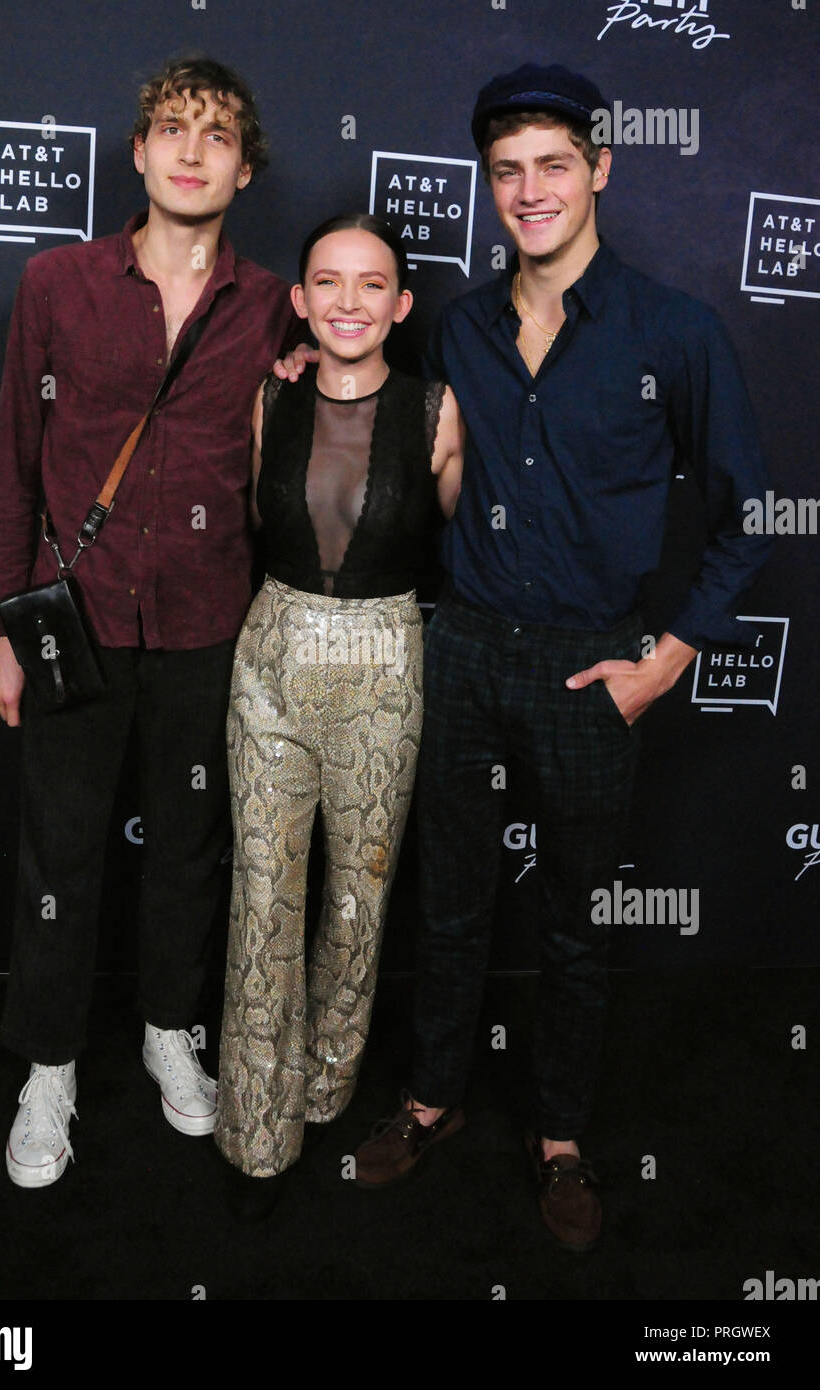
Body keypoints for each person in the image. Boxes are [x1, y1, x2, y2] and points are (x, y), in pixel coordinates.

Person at [346, 64, 772, 1252]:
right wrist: (302, 376)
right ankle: (432, 1099)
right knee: (451, 906)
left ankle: (563, 1138)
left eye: (553, 166)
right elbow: (391, 419)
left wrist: (666, 658)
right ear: (490, 188)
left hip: (595, 666)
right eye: (507, 173)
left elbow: (749, 514)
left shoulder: (674, 331)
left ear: (601, 168)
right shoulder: (460, 324)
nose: (529, 192)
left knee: (580, 923)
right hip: (467, 649)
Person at [0, 54, 305, 1187]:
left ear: (244, 168)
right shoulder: (55, 286)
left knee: (190, 848)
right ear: (140, 151)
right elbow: (15, 458)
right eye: (173, 128)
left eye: (216, 135)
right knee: (59, 851)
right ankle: (49, 1067)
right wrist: (1, 629)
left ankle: (172, 1031)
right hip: (76, 620)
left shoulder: (270, 303)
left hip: (212, 625)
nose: (191, 150)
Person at [213, 214, 463, 1218]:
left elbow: (476, 547)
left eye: (373, 285)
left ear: (402, 305)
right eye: (329, 282)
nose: (350, 302)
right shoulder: (268, 399)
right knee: (265, 895)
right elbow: (245, 526)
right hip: (273, 652)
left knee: (358, 902)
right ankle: (258, 1120)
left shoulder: (438, 411)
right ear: (302, 301)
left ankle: (328, 1081)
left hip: (386, 659)